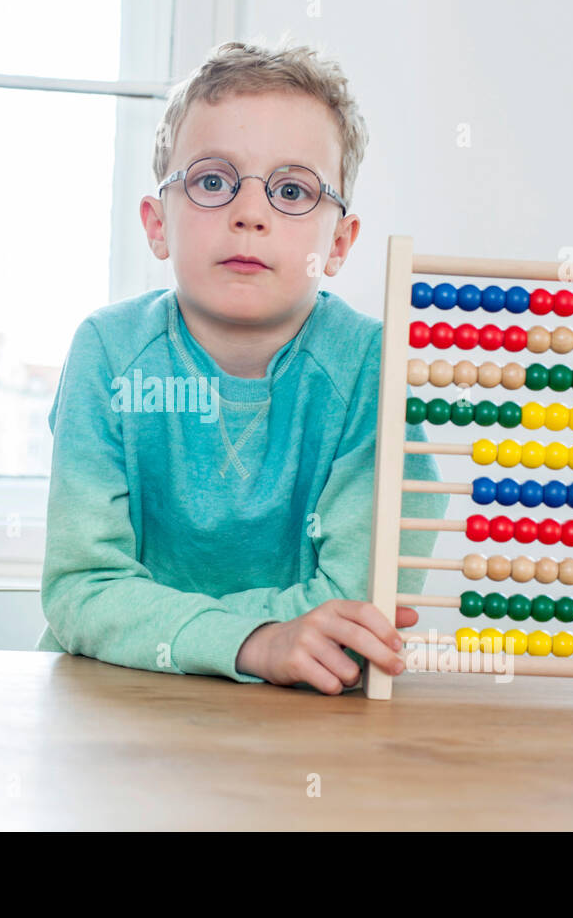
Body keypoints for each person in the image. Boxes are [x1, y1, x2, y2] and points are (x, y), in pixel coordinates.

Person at [34, 37, 448, 694]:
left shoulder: (372, 367)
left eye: (291, 189)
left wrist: (188, 629)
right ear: (157, 224)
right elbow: (83, 589)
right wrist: (256, 641)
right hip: (116, 708)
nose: (248, 214)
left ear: (338, 243)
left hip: (304, 727)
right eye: (212, 181)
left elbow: (357, 615)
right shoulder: (108, 354)